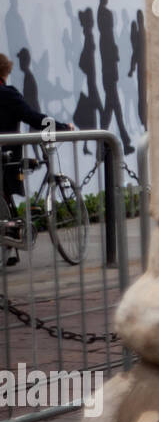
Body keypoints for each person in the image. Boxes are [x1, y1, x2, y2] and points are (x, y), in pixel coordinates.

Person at [0, 53, 74, 266]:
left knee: (5, 202)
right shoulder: (8, 94)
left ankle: (10, 248)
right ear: (6, 71)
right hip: (6, 158)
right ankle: (10, 243)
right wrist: (61, 127)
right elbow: (32, 117)